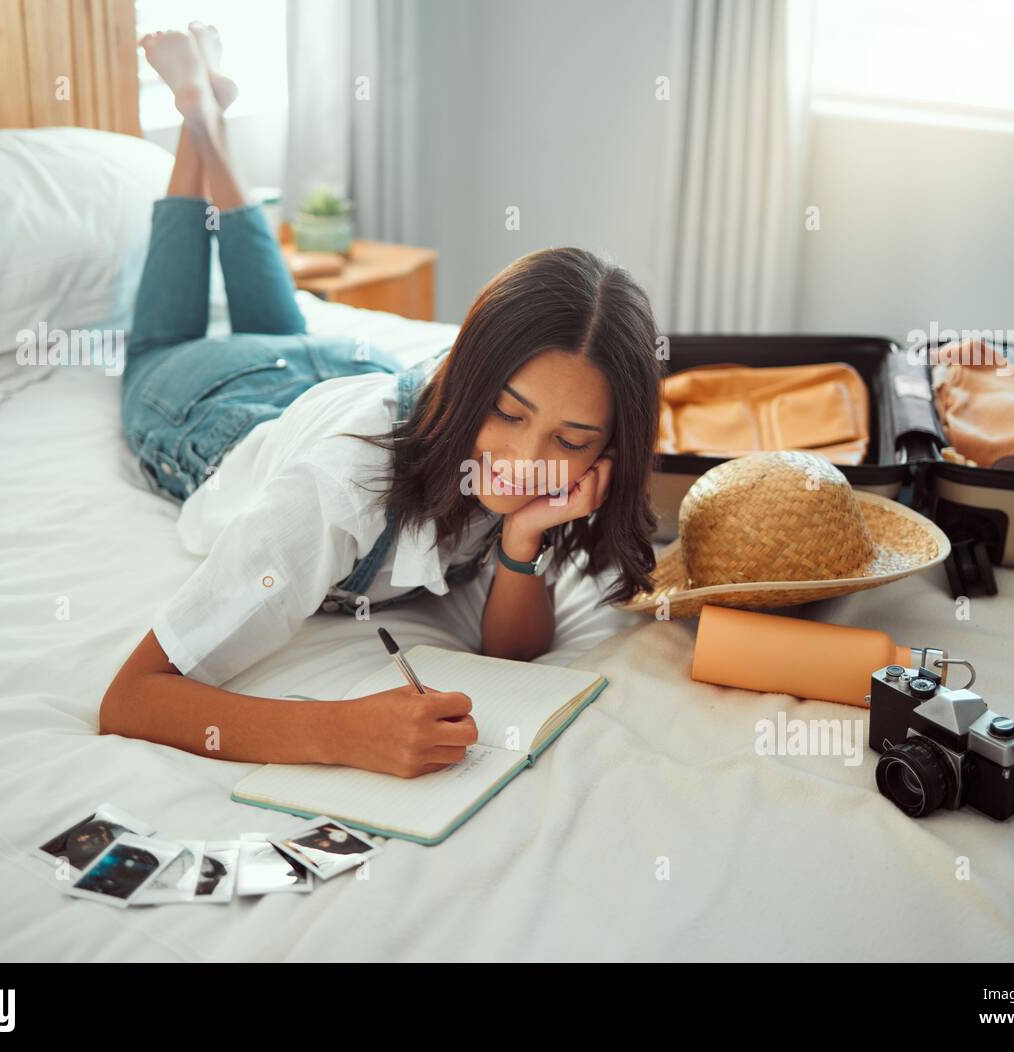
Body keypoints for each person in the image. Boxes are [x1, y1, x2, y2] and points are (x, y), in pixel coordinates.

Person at [100, 24, 663, 778]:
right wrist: (341, 734)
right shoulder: (332, 493)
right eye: (509, 411)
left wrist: (523, 540)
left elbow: (514, 655)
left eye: (569, 441)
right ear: (468, 379)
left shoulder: (504, 451)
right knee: (157, 349)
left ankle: (209, 116)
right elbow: (132, 698)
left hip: (325, 383)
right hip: (214, 406)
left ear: (608, 448)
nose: (526, 464)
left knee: (284, 324)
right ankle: (198, 124)